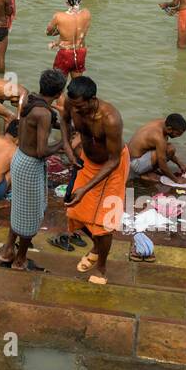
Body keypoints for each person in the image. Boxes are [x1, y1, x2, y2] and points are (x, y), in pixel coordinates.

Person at [61, 76, 129, 284]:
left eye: (81, 107)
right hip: (87, 162)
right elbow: (64, 120)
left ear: (92, 100)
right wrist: (66, 145)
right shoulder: (71, 104)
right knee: (75, 212)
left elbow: (114, 159)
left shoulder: (110, 118)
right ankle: (97, 248)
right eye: (74, 107)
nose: (77, 111)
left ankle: (102, 267)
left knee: (103, 224)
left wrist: (86, 189)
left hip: (112, 167)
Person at [0, 70, 65, 272]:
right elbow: (42, 151)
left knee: (20, 208)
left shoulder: (30, 100)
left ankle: (8, 250)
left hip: (20, 158)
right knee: (30, 215)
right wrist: (63, 143)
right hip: (30, 164)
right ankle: (20, 260)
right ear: (59, 92)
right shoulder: (43, 113)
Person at [127, 115, 186, 182]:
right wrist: (176, 180)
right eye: (177, 134)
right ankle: (143, 174)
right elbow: (162, 165)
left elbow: (163, 149)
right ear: (169, 129)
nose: (178, 136)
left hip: (130, 158)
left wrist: (179, 163)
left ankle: (146, 171)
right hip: (134, 165)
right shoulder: (158, 138)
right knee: (170, 149)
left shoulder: (162, 122)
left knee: (168, 148)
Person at [46, 0, 90, 79]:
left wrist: (58, 30)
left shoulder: (59, 16)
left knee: (58, 85)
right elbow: (75, 34)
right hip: (80, 52)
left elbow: (48, 32)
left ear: (66, 2)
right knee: (77, 84)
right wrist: (56, 43)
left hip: (65, 54)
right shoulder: (87, 13)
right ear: (80, 1)